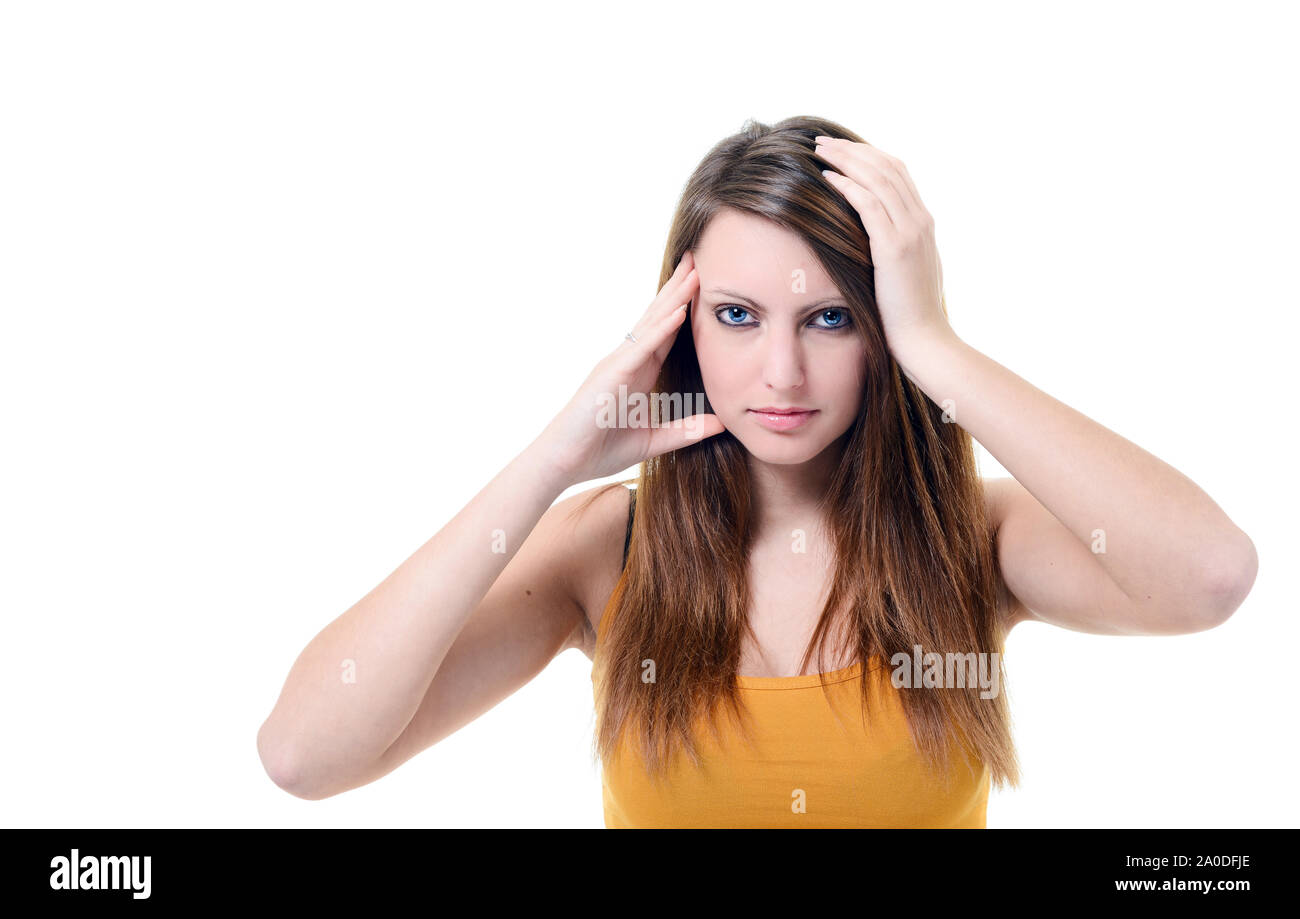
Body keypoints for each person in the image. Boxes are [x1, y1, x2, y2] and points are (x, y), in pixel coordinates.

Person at [256, 115, 1258, 827]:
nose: (781, 372)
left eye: (829, 317)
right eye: (737, 315)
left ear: (877, 328)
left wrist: (937, 349)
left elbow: (1208, 576)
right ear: (681, 322)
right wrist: (553, 456)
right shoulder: (606, 552)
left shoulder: (975, 539)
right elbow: (303, 756)